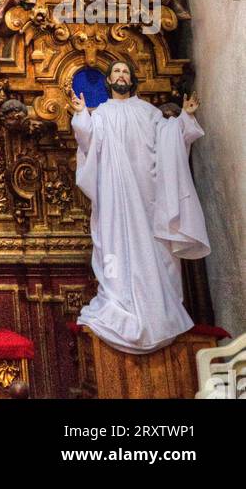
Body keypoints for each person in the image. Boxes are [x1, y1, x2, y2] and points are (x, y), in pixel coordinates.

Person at [69, 60, 210, 353]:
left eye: (125, 72)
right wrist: (82, 114)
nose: (121, 75)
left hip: (148, 196)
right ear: (108, 81)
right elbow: (87, 141)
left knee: (157, 248)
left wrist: (184, 119)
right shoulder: (102, 113)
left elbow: (170, 140)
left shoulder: (149, 113)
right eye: (116, 72)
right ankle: (120, 303)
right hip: (115, 198)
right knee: (114, 246)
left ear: (132, 80)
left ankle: (161, 310)